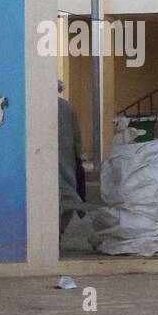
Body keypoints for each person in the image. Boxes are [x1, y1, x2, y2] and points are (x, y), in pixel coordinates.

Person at [57, 79, 86, 232]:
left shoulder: (66, 108)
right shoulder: (67, 107)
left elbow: (76, 135)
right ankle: (59, 230)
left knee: (66, 196)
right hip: (66, 160)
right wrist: (78, 155)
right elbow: (77, 136)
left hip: (64, 159)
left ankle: (58, 231)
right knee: (68, 196)